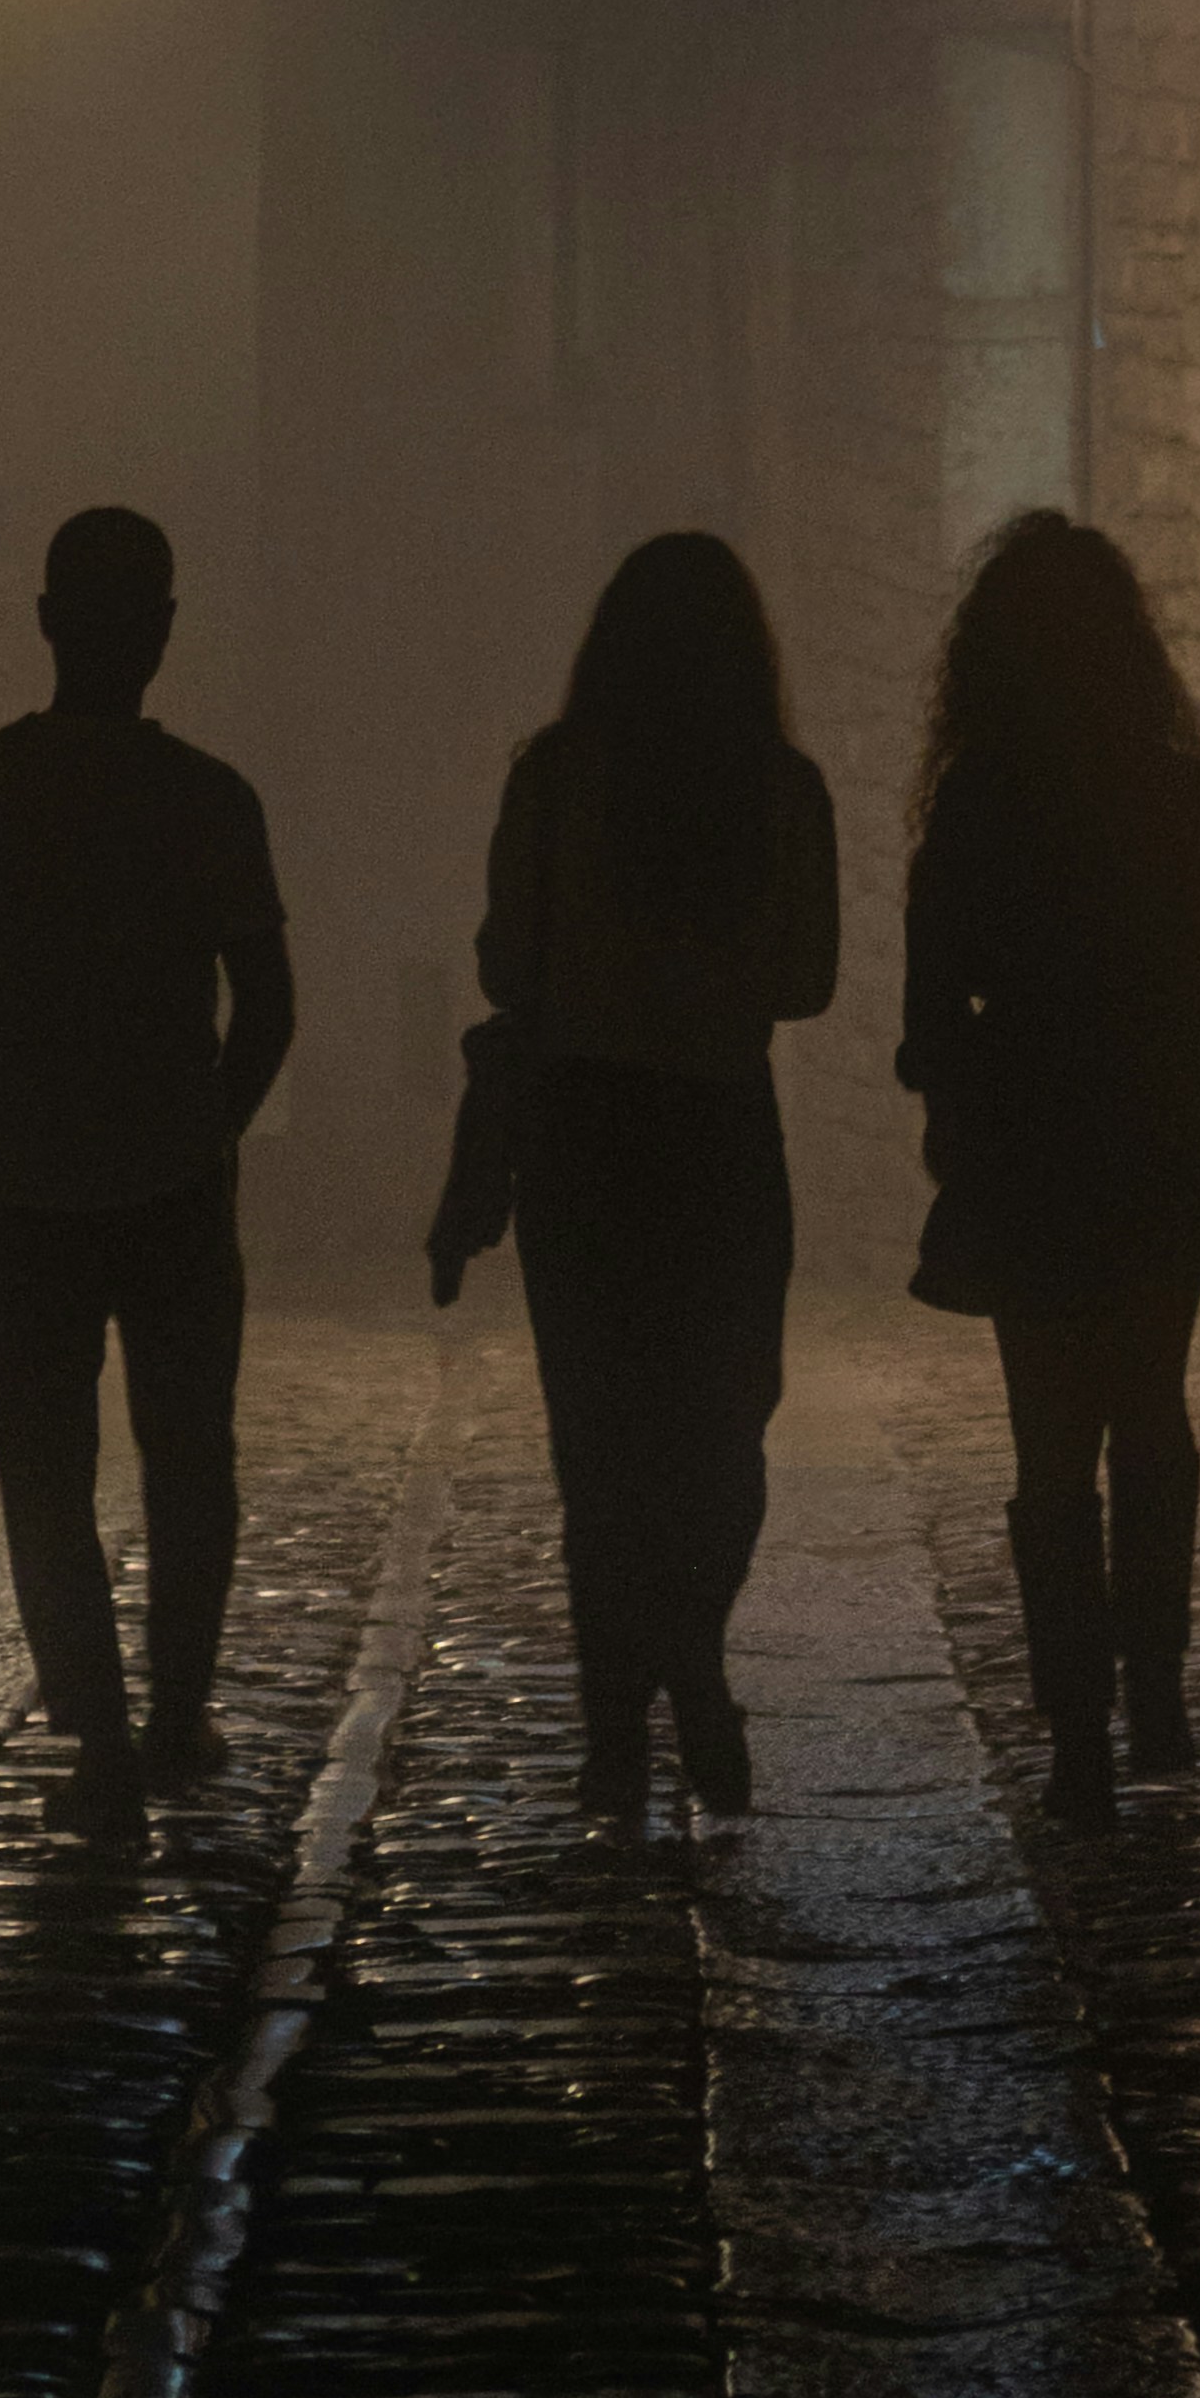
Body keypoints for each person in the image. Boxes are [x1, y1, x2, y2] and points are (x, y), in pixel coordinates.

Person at [0, 504, 294, 1838]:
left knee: (45, 1466)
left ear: (45, 619)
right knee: (190, 1453)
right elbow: (269, 1001)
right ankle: (179, 1708)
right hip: (173, 1178)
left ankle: (102, 1730)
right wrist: (210, 1125)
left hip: (14, 1183)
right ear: (162, 629)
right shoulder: (209, 799)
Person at [898, 508, 1200, 1832]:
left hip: (1026, 1138)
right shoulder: (1173, 785)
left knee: (1048, 1444)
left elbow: (930, 993)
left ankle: (1074, 1730)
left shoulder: (977, 799)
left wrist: (951, 1106)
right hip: (1154, 1126)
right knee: (1150, 1410)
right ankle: (1155, 1686)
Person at [454, 531, 836, 1818]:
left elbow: (509, 968)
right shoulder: (783, 792)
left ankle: (619, 1731)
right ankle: (695, 1664)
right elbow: (808, 982)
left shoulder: (556, 778)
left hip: (583, 1137)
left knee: (600, 1439)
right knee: (724, 1426)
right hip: (720, 1134)